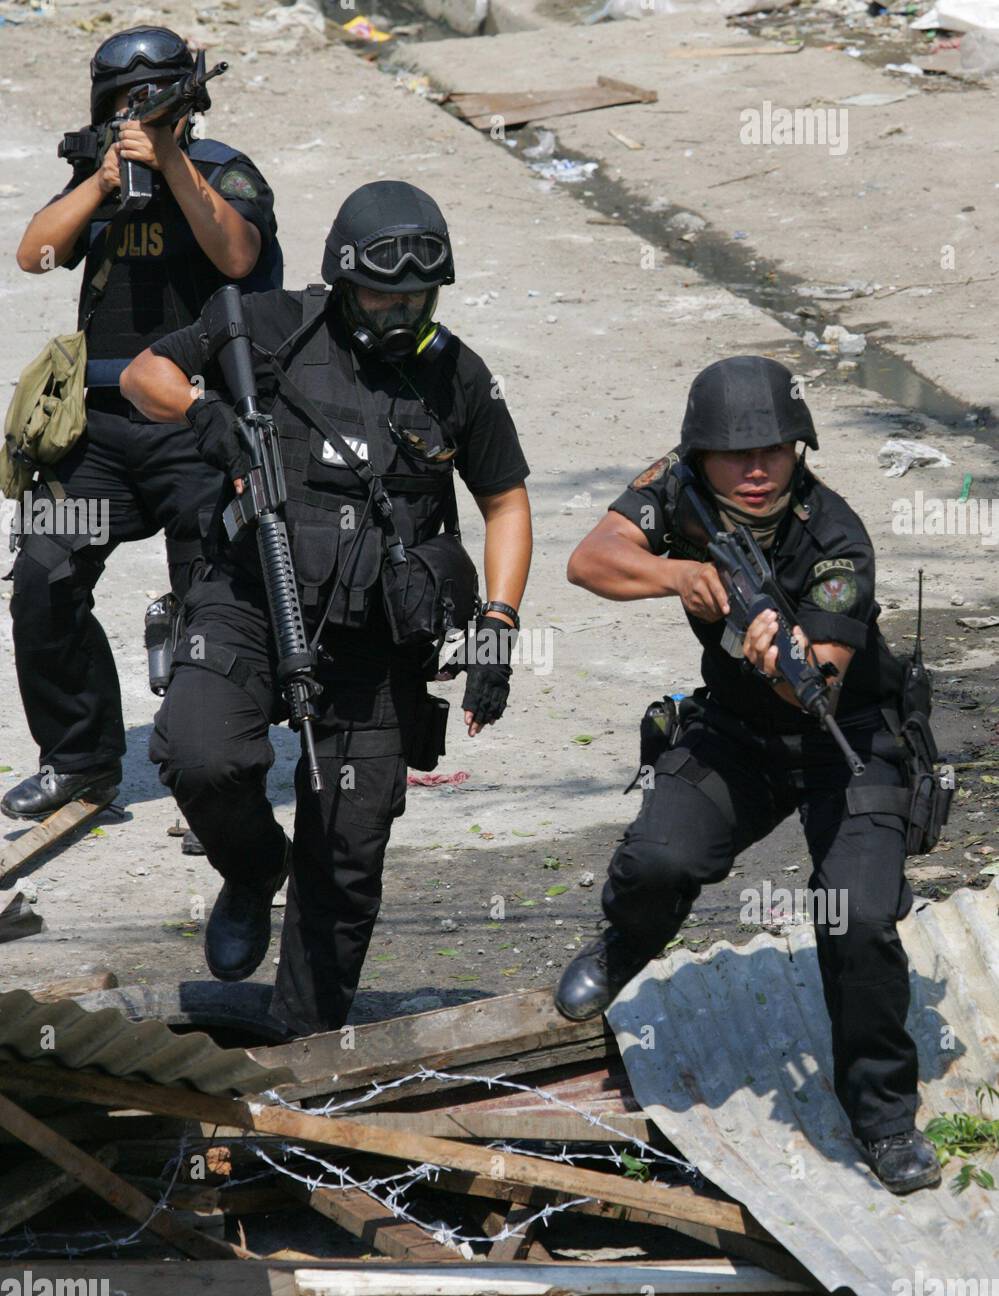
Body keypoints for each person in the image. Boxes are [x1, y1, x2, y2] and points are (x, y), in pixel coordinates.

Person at [120, 179, 533, 1039]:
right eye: (384, 293)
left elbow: (505, 502)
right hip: (248, 598)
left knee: (345, 862)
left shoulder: (455, 374)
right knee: (201, 757)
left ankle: (304, 1053)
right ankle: (249, 868)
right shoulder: (268, 327)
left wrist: (498, 621)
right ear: (344, 280)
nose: (399, 310)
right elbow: (141, 374)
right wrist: (206, 416)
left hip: (372, 638)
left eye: (417, 296)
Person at [554, 355, 941, 1195]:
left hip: (845, 739)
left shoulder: (836, 535)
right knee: (659, 859)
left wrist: (788, 656)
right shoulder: (674, 486)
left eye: (772, 450)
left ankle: (880, 1115)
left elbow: (825, 668)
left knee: (859, 917)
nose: (755, 470)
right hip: (734, 737)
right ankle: (625, 945)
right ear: (700, 457)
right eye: (734, 455)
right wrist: (682, 576)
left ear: (798, 449)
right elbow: (590, 560)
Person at [3, 26, 281, 822]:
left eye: (150, 103)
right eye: (124, 104)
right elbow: (35, 255)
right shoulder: (93, 174)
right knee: (43, 578)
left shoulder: (224, 172)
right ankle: (81, 760)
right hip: (97, 429)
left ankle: (219, 783)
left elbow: (237, 258)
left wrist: (174, 167)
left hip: (198, 423)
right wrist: (99, 181)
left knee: (216, 603)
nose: (137, 115)